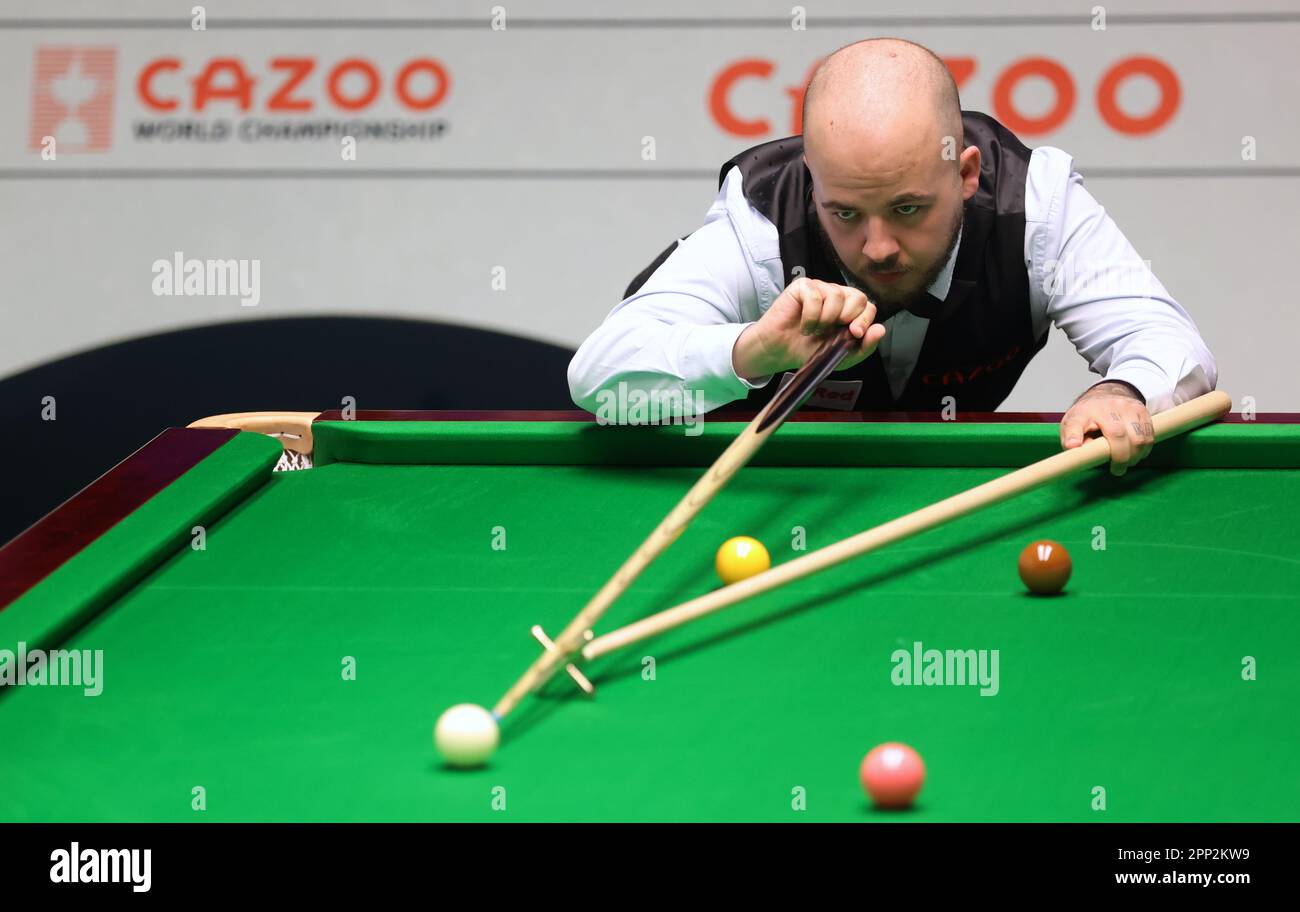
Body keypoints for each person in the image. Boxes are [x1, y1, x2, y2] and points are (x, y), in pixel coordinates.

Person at [568, 38, 1217, 476]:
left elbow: (1163, 338)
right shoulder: (765, 217)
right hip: (761, 500)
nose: (877, 248)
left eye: (908, 209)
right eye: (845, 213)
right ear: (813, 182)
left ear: (965, 175)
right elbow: (598, 380)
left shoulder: (1035, 206)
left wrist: (1122, 388)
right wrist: (753, 350)